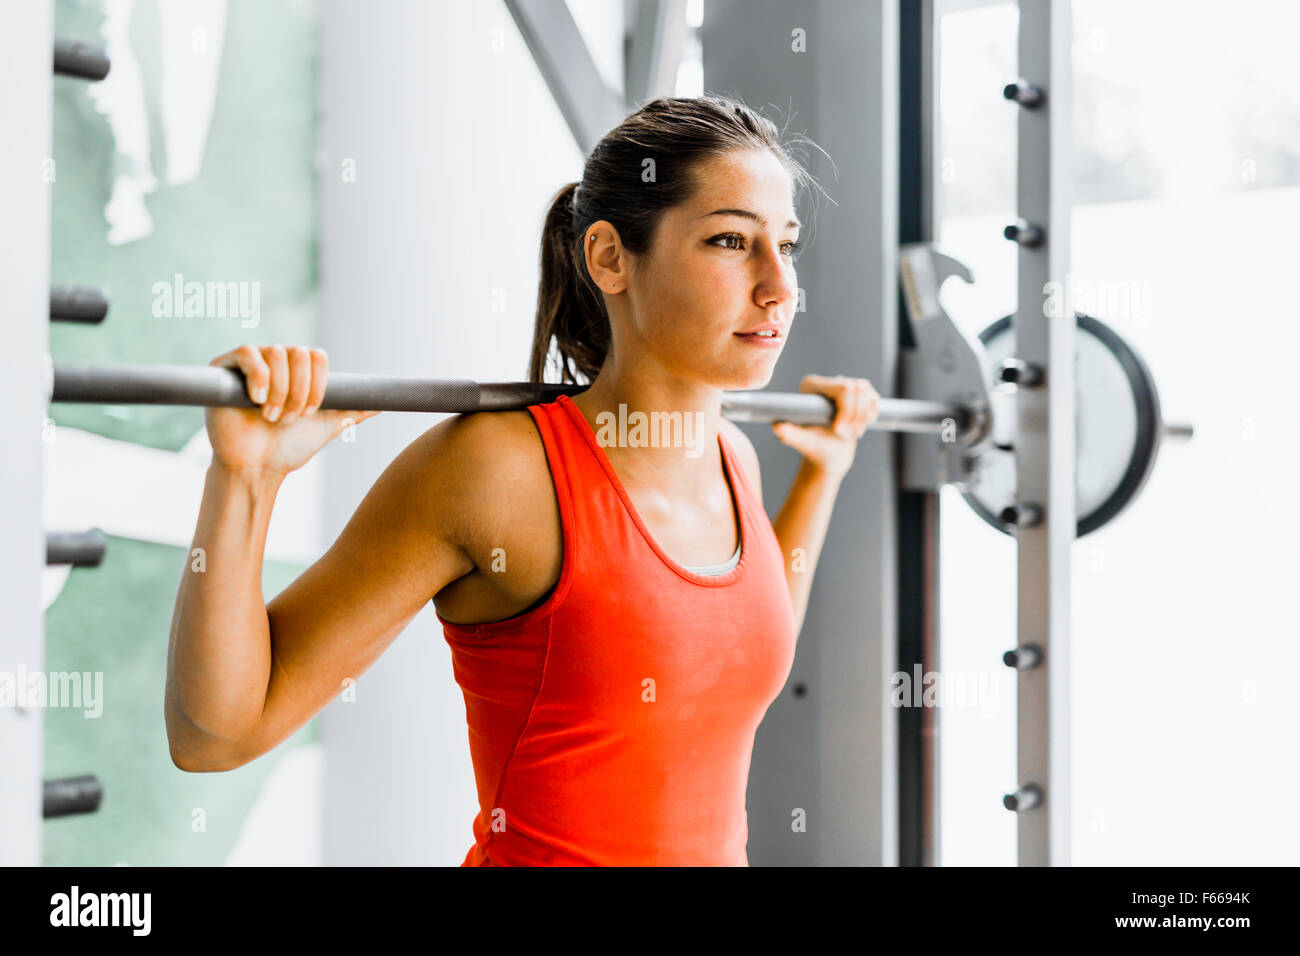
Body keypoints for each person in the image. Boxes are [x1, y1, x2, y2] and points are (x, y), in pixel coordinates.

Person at [165, 95, 880, 866]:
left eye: (789, 244)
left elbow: (726, 648)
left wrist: (822, 476)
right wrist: (246, 477)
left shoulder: (730, 458)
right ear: (609, 258)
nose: (778, 286)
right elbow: (216, 736)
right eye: (731, 241)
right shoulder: (495, 471)